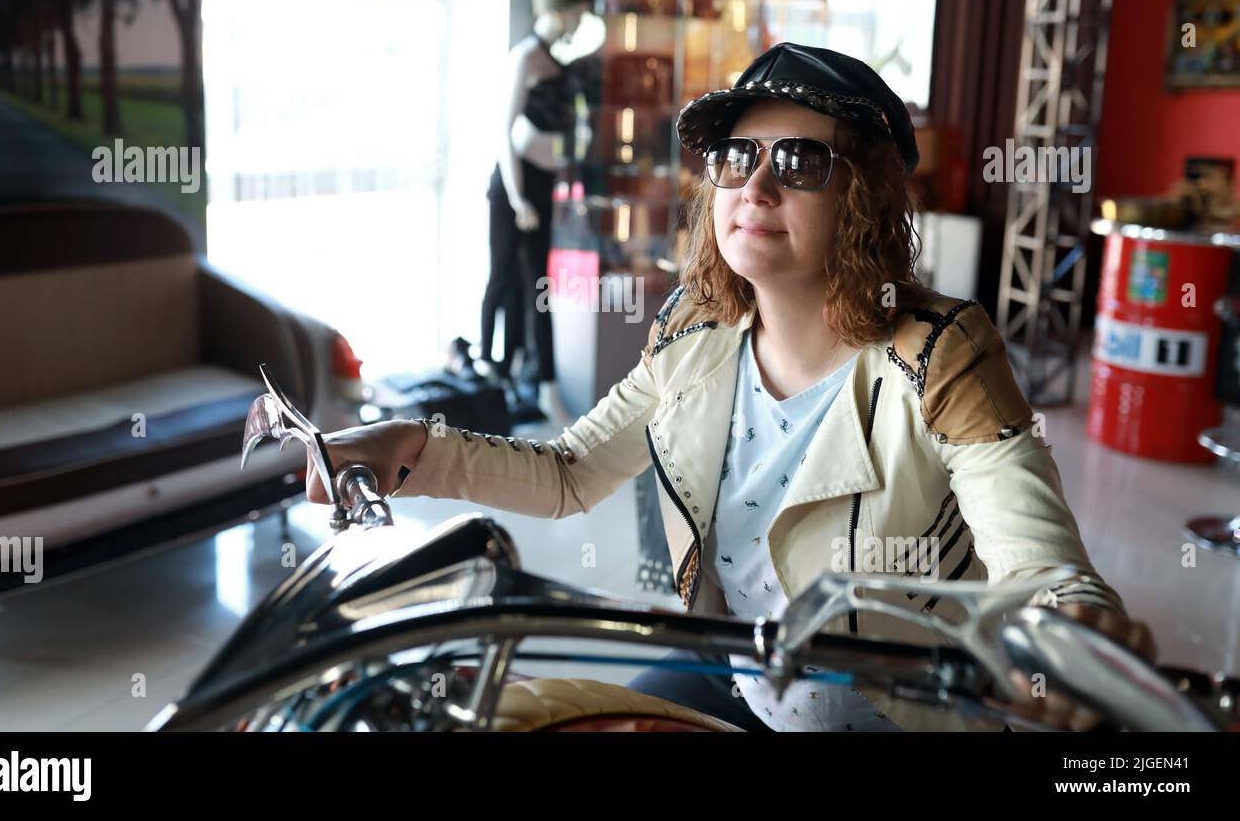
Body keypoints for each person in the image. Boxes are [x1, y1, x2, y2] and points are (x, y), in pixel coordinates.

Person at [307, 43, 1155, 732]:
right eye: (736, 156)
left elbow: (1042, 562)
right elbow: (571, 473)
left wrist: (1073, 624)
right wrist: (409, 447)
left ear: (862, 195)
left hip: (891, 717)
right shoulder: (694, 329)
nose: (756, 185)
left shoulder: (939, 352)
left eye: (798, 161)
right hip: (732, 672)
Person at [479, 0, 593, 425]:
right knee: (502, 276)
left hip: (543, 184)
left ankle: (544, 382)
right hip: (515, 183)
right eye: (578, 11)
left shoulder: (556, 62)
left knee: (538, 287)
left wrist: (561, 187)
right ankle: (491, 371)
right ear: (558, 8)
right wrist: (516, 195)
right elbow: (504, 132)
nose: (581, 20)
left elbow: (564, 135)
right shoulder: (524, 56)